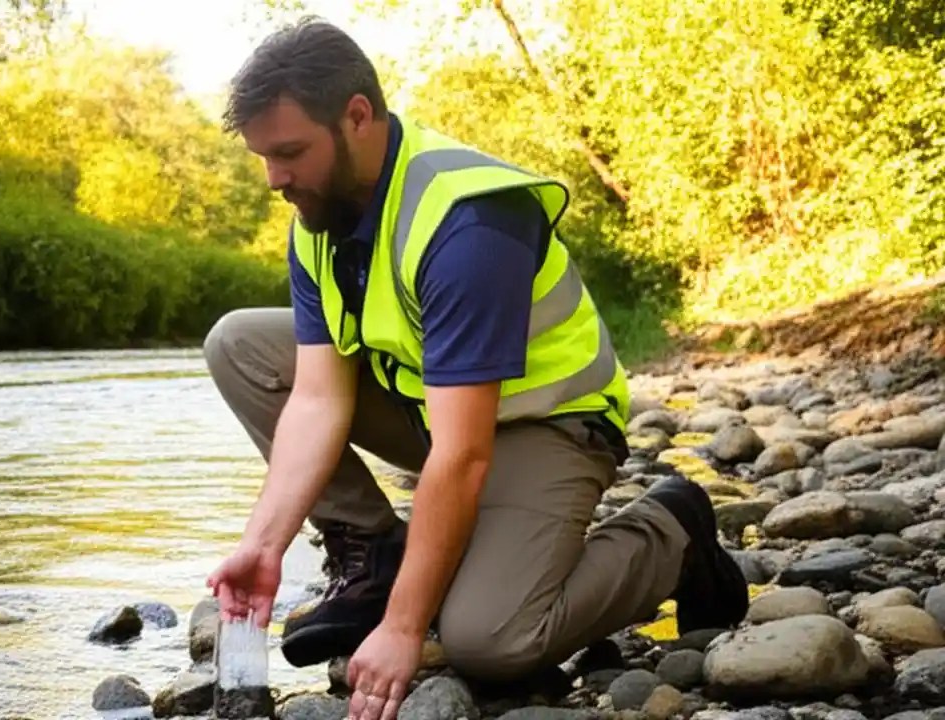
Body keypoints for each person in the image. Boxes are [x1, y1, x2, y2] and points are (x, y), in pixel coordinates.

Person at [203, 15, 748, 720]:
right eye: (264, 158)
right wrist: (263, 545)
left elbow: (462, 457)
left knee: (490, 642)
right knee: (238, 343)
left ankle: (670, 533)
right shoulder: (320, 216)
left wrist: (403, 629)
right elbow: (315, 400)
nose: (275, 179)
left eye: (290, 152)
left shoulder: (467, 223)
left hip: (551, 423)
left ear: (358, 117)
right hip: (438, 410)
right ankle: (373, 554)